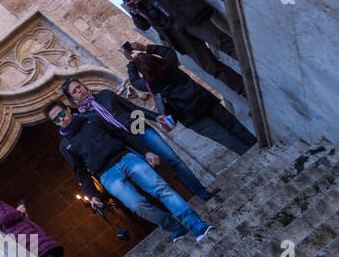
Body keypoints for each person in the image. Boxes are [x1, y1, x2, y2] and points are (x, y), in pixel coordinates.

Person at [47, 99, 212, 243]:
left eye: (61, 113)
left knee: (161, 189)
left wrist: (146, 151)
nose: (61, 119)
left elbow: (122, 135)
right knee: (138, 206)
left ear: (68, 109)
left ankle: (196, 224)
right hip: (107, 176)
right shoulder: (65, 146)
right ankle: (174, 227)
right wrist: (92, 195)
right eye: (56, 120)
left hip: (126, 158)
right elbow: (80, 172)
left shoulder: (92, 118)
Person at [60, 76, 218, 202]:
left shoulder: (105, 95)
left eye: (79, 86)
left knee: (173, 160)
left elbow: (132, 108)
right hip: (124, 145)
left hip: (138, 129)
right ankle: (180, 202)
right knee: (153, 175)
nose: (79, 91)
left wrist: (155, 116)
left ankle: (202, 193)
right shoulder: (83, 118)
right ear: (72, 100)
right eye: (74, 91)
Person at [100, 0, 245, 96]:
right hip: (174, 34)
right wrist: (133, 12)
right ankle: (245, 91)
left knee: (222, 42)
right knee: (210, 67)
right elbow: (144, 26)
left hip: (186, 16)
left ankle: (258, 69)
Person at [125, 44, 256, 155]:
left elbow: (134, 80)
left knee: (224, 137)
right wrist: (146, 48)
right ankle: (258, 147)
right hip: (205, 100)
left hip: (190, 116)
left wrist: (131, 63)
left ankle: (252, 156)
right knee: (235, 126)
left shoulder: (148, 84)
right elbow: (167, 51)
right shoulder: (170, 64)